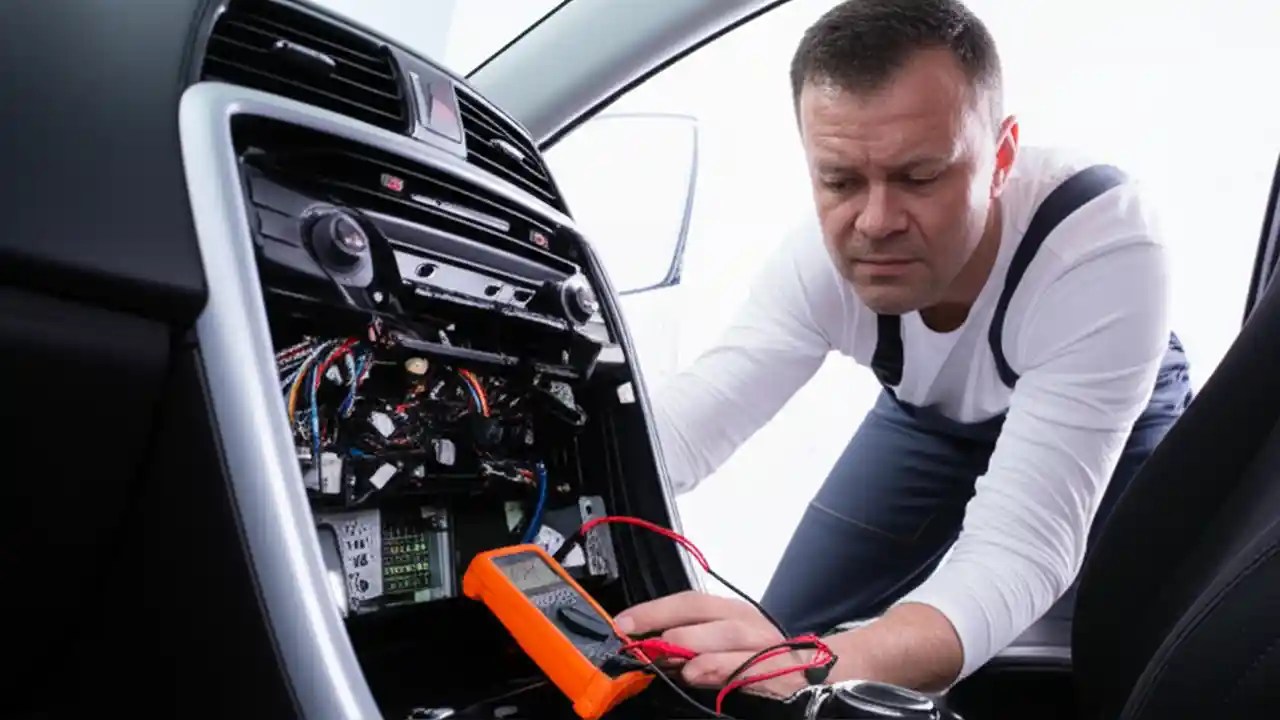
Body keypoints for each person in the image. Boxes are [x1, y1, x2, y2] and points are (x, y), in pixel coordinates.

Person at [614, 0, 1194, 701]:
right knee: (777, 653)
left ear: (1002, 158)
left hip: (1107, 431)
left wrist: (824, 665)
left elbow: (1019, 548)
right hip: (932, 420)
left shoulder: (1103, 247)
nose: (877, 222)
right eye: (840, 181)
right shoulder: (816, 263)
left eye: (919, 178)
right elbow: (685, 426)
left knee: (1099, 669)